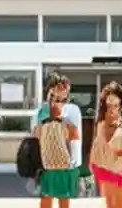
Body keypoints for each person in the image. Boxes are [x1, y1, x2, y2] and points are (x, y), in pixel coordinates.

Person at [31, 73, 83, 207]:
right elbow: (35, 136)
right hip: (46, 164)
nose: (57, 100)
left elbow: (75, 139)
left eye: (62, 98)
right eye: (53, 96)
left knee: (63, 198)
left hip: (65, 164)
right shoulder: (41, 112)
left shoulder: (72, 111)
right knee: (46, 198)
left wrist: (75, 163)